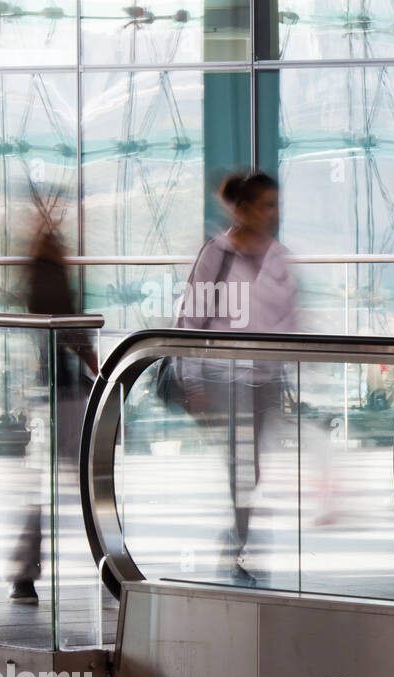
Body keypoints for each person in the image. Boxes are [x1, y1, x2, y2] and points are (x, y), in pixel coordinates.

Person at [174, 170, 298, 583]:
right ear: (243, 209)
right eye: (267, 205)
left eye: (277, 205)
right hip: (222, 377)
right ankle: (239, 542)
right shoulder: (217, 253)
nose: (274, 213)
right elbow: (191, 317)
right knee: (242, 463)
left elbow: (289, 320)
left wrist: (294, 373)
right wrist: (191, 381)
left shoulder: (278, 256)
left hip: (265, 377)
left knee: (251, 466)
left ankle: (236, 534)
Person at [6, 218, 98, 603]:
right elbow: (74, 333)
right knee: (92, 482)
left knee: (45, 489)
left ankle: (25, 572)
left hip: (45, 394)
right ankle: (109, 559)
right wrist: (96, 366)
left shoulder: (31, 278)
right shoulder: (52, 278)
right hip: (68, 394)